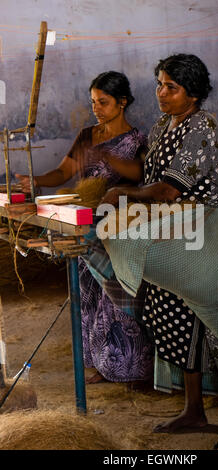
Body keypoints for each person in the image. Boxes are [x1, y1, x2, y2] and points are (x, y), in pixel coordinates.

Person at [99, 55, 218, 449]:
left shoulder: (202, 127)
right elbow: (152, 180)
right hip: (174, 232)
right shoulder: (163, 125)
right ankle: (194, 409)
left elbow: (167, 190)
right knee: (176, 318)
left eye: (171, 87)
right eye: (159, 84)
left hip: (207, 232)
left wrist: (120, 195)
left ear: (192, 93)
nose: (161, 93)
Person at [16, 71, 154, 385]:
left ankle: (129, 367)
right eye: (93, 102)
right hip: (84, 224)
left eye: (103, 102)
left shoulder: (138, 140)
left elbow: (140, 172)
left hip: (120, 227)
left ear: (122, 103)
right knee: (88, 296)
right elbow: (64, 172)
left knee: (116, 297)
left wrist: (108, 156)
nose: (96, 108)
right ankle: (98, 365)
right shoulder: (86, 136)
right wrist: (36, 181)